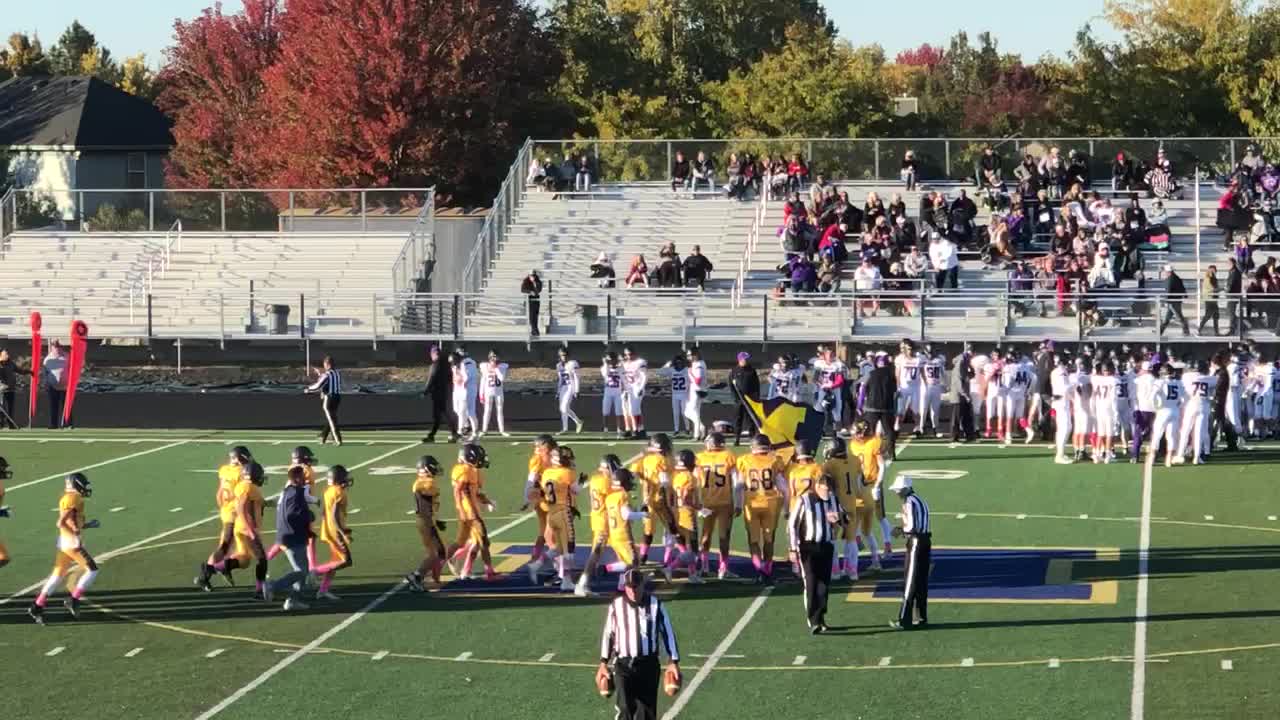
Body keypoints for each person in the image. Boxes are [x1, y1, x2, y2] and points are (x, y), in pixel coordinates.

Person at [597, 568, 681, 720]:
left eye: (636, 586)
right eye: (629, 586)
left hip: (648, 664)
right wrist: (603, 662)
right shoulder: (616, 606)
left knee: (647, 712)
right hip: (623, 664)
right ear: (625, 587)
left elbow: (667, 632)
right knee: (625, 708)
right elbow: (608, 634)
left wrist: (673, 661)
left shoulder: (655, 605)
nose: (633, 590)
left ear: (642, 585)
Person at [28, 472, 99, 624]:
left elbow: (72, 522)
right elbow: (61, 522)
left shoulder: (71, 498)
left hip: (64, 542)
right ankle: (73, 600)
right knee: (92, 570)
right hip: (70, 543)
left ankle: (37, 606)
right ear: (76, 484)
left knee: (58, 575)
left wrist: (87, 525)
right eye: (84, 484)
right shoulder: (74, 498)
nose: (86, 487)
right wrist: (74, 537)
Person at [787, 448, 843, 634]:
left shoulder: (832, 499)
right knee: (810, 583)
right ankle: (814, 621)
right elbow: (792, 524)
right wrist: (793, 548)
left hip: (826, 545)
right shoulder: (804, 500)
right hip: (808, 546)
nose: (827, 495)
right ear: (817, 487)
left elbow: (845, 518)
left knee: (824, 585)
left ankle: (821, 617)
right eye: (825, 491)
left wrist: (839, 519)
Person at [195, 446, 253, 591]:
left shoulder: (224, 469)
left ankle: (224, 567)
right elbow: (243, 493)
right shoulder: (240, 472)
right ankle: (205, 575)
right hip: (235, 512)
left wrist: (224, 508)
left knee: (244, 558)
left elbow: (219, 493)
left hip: (226, 510)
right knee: (226, 547)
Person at [736, 434, 787, 585]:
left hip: (751, 503)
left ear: (753, 447)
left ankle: (760, 570)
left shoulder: (744, 460)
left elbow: (738, 486)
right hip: (770, 503)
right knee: (769, 539)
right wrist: (786, 508)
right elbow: (782, 487)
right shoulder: (775, 460)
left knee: (753, 540)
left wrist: (738, 505)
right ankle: (768, 570)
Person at [443, 443, 498, 580]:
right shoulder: (465, 471)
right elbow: (459, 492)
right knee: (484, 542)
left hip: (471, 510)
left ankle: (459, 568)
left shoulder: (471, 470)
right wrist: (462, 510)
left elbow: (475, 492)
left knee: (466, 542)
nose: (481, 460)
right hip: (470, 512)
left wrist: (487, 501)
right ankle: (489, 572)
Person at [264, 465, 315, 610]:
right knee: (301, 571)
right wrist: (308, 516)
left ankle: (293, 600)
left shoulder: (287, 491)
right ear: (298, 478)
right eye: (303, 476)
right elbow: (292, 514)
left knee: (301, 569)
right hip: (292, 537)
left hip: (286, 536)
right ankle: (274, 586)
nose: (306, 478)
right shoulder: (297, 493)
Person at [694, 432, 739, 580]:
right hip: (725, 502)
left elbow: (694, 481)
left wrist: (696, 502)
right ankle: (723, 568)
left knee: (705, 535)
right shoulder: (728, 456)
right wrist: (738, 502)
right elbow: (737, 482)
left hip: (706, 502)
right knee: (724, 537)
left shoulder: (700, 458)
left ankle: (705, 566)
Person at [888, 475, 931, 630]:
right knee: (921, 581)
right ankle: (921, 617)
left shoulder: (909, 503)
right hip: (926, 541)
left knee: (910, 581)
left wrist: (899, 530)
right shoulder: (920, 500)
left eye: (898, 490)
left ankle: (904, 619)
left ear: (905, 489)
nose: (897, 493)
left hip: (915, 542)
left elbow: (911, 527)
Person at [537, 445, 581, 591]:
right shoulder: (568, 473)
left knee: (558, 545)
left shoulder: (547, 472)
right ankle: (564, 578)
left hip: (552, 513)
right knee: (568, 549)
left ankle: (549, 566)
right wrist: (580, 481)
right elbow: (576, 490)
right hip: (564, 512)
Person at [405, 455, 447, 592]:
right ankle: (416, 576)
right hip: (425, 521)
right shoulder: (426, 483)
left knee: (438, 553)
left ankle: (430, 578)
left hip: (426, 520)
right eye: (433, 466)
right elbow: (420, 490)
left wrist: (438, 519)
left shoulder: (425, 482)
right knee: (435, 554)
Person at [305, 355, 343, 446]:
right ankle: (323, 436)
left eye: (324, 364)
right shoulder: (337, 373)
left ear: (327, 364)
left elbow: (318, 385)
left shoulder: (327, 374)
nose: (324, 366)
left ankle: (337, 439)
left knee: (332, 419)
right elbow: (327, 381)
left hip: (329, 398)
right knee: (332, 418)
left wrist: (308, 389)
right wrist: (320, 374)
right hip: (337, 397)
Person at [422, 346, 456, 443]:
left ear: (433, 354)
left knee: (439, 415)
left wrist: (425, 391)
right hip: (444, 392)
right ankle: (433, 435)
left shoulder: (435, 365)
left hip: (437, 393)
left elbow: (431, 379)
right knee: (441, 414)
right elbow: (450, 378)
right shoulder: (446, 364)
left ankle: (433, 435)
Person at [729, 352, 761, 444]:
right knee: (738, 419)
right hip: (738, 400)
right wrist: (735, 398)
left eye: (747, 359)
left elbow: (756, 385)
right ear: (740, 360)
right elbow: (731, 385)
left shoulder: (751, 370)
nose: (747, 361)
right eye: (745, 359)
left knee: (751, 419)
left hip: (750, 399)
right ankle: (737, 438)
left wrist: (756, 397)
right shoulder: (734, 371)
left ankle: (752, 437)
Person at [479, 350, 510, 437]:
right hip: (488, 392)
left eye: (496, 357)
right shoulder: (485, 366)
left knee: (500, 411)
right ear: (490, 358)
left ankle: (502, 430)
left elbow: (502, 379)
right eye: (493, 358)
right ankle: (484, 430)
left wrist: (496, 369)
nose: (494, 359)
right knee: (487, 411)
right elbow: (483, 381)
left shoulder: (501, 367)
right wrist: (481, 394)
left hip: (499, 393)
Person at [621, 347, 649, 439]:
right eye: (626, 354)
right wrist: (624, 389)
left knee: (634, 410)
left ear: (634, 354)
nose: (628, 356)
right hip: (628, 389)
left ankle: (636, 431)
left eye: (630, 354)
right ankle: (639, 430)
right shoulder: (624, 364)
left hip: (637, 388)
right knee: (628, 410)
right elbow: (623, 377)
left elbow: (644, 376)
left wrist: (641, 388)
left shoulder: (640, 362)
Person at [555, 346, 584, 435]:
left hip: (571, 386)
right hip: (563, 387)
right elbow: (560, 379)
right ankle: (565, 428)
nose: (563, 357)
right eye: (561, 355)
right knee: (562, 409)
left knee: (564, 407)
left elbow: (576, 377)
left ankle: (578, 422)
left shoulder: (573, 363)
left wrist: (577, 390)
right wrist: (558, 391)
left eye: (565, 355)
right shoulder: (559, 365)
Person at [42, 341, 70, 429]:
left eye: (59, 347)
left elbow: (72, 369)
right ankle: (53, 424)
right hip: (52, 386)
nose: (57, 348)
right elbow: (45, 373)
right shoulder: (47, 359)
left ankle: (68, 423)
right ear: (52, 348)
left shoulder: (67, 356)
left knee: (66, 406)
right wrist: (46, 383)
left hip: (65, 386)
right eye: (55, 347)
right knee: (53, 406)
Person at [1159, 268, 1191, 336]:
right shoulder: (1176, 278)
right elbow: (1182, 288)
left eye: (1165, 272)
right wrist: (1185, 295)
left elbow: (1168, 290)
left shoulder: (1171, 279)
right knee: (1167, 318)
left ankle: (1186, 331)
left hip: (1173, 301)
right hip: (1175, 300)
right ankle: (1160, 331)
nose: (1164, 273)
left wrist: (1165, 300)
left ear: (1168, 272)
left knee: (1179, 317)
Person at [602, 351, 625, 435]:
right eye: (609, 360)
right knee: (605, 411)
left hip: (618, 393)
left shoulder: (621, 368)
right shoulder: (605, 368)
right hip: (608, 392)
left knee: (619, 412)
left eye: (612, 360)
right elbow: (605, 373)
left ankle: (619, 429)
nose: (611, 362)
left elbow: (624, 378)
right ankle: (605, 428)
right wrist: (606, 364)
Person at [1199, 266, 1222, 336]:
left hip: (1214, 300)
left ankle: (1216, 332)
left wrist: (1218, 289)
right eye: (1213, 270)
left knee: (1216, 316)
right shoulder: (1207, 278)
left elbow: (1214, 288)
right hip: (1209, 299)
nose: (1215, 271)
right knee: (1207, 316)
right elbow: (1210, 289)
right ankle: (1199, 329)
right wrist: (1220, 289)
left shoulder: (1214, 278)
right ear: (1209, 270)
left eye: (1215, 270)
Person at [521, 270, 543, 337]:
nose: (532, 276)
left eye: (533, 275)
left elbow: (539, 290)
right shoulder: (526, 281)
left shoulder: (538, 281)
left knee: (535, 316)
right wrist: (530, 292)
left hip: (536, 301)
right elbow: (523, 289)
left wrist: (534, 282)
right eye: (531, 275)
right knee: (531, 316)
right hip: (529, 301)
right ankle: (535, 330)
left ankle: (534, 330)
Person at [0, 349, 17, 428]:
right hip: (2, 389)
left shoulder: (11, 363)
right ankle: (1, 423)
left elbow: (18, 370)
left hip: (10, 389)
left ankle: (11, 424)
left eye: (7, 354)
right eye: (4, 354)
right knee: (2, 407)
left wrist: (28, 372)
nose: (6, 355)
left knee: (10, 408)